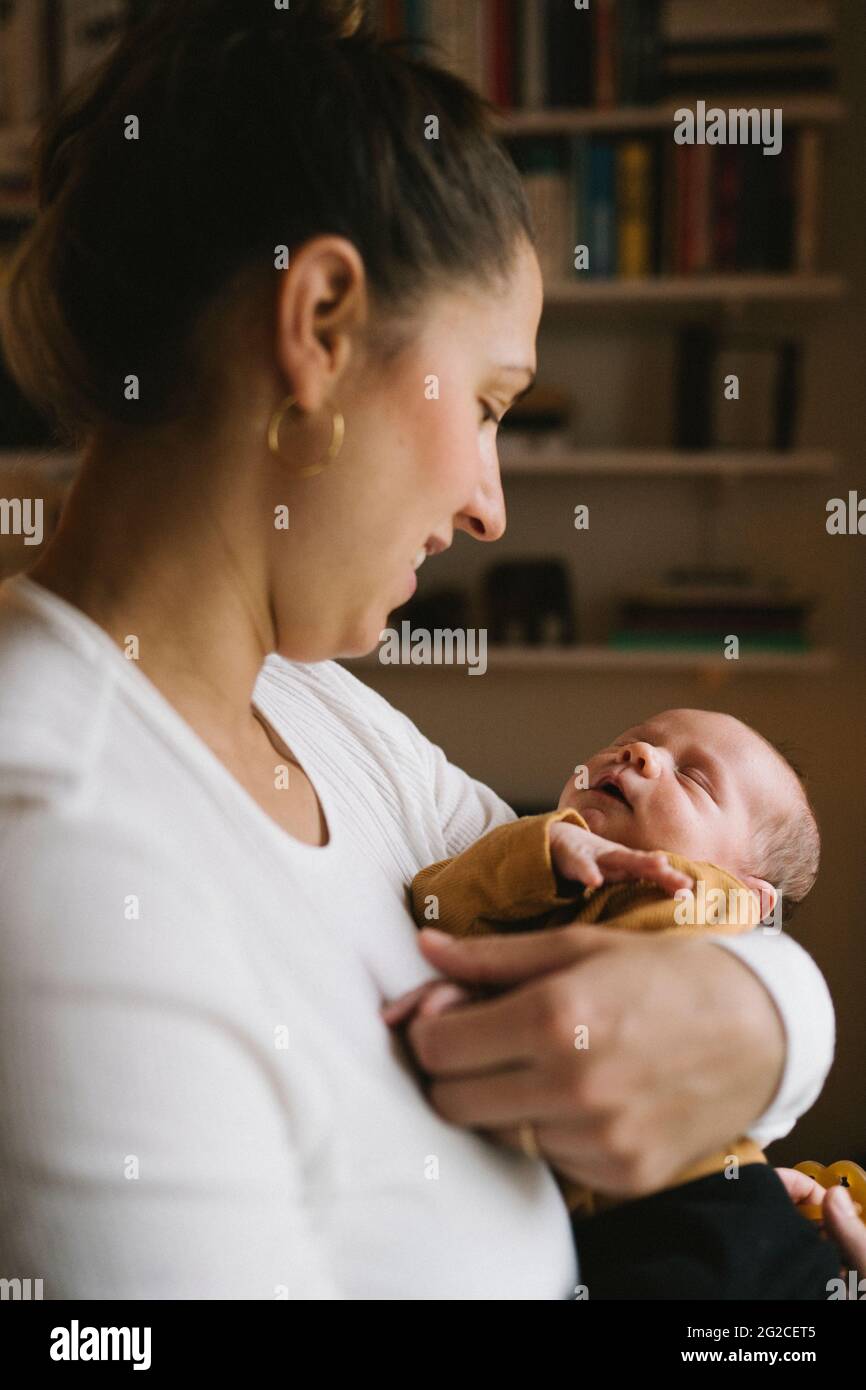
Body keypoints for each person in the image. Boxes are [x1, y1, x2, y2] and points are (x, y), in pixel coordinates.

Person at [0, 0, 834, 1298]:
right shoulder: (57, 836)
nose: (491, 506)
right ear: (320, 322)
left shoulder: (324, 716)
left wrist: (764, 1022)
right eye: (489, 403)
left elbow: (725, 921)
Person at [393, 708, 838, 1297]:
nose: (641, 757)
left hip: (706, 1206)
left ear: (753, 898)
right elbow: (436, 900)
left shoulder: (701, 897)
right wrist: (544, 845)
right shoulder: (529, 869)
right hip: (589, 1230)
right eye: (631, 743)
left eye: (695, 779)